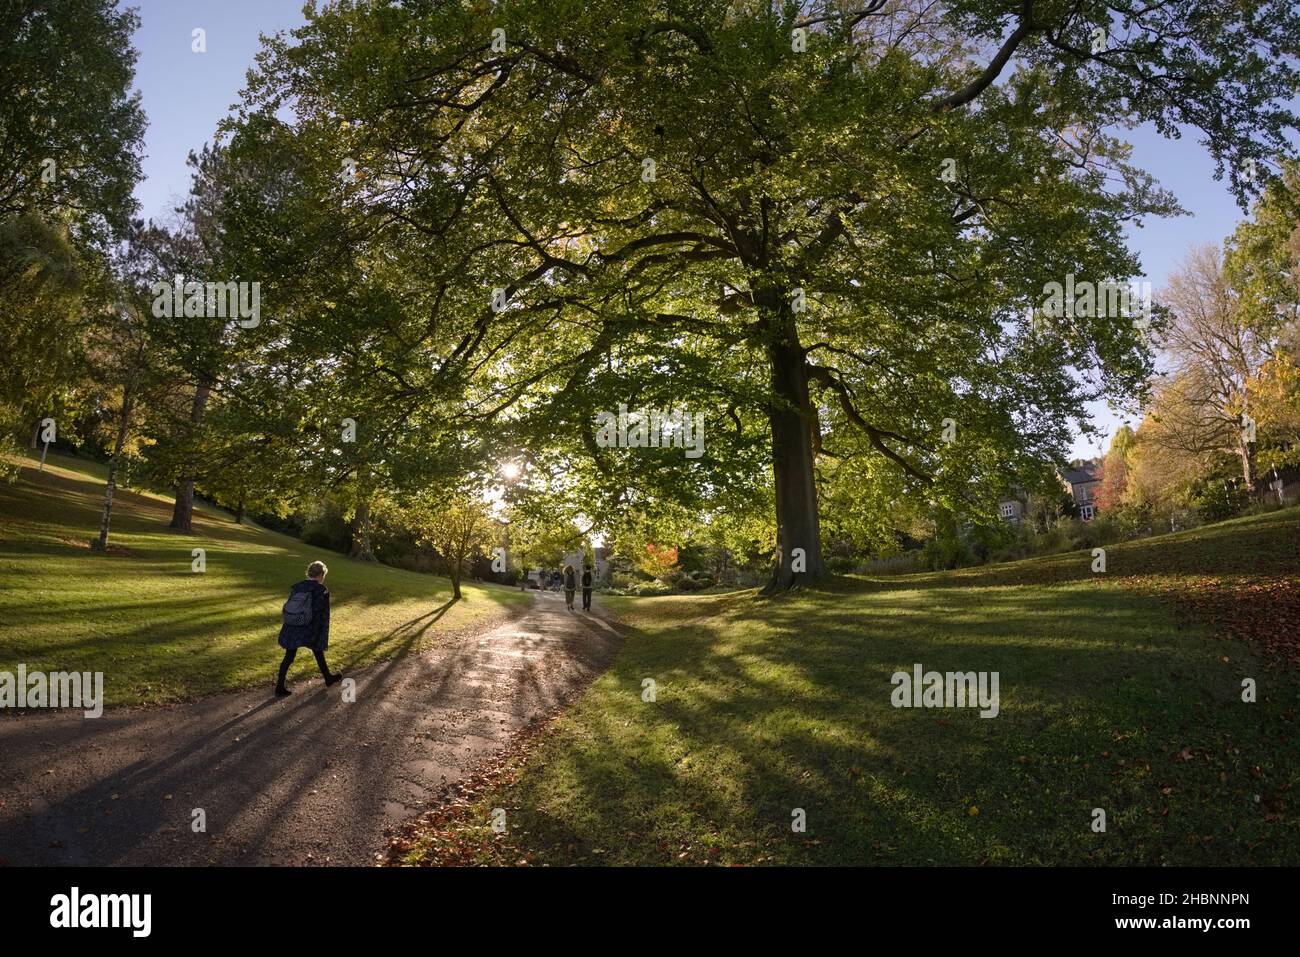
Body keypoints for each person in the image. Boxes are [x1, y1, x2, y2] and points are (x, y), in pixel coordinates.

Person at [275, 560, 343, 697]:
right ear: (321, 575)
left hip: (293, 624)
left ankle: (279, 686)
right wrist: (320, 632)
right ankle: (328, 678)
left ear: (309, 573)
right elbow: (321, 613)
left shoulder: (298, 586)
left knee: (289, 656)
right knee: (318, 650)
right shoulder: (321, 590)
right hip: (309, 627)